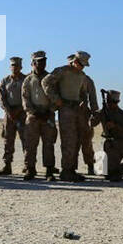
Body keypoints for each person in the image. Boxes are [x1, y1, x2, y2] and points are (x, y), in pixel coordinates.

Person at [44, 50, 95, 182]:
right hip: (65, 109)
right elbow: (45, 83)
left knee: (76, 140)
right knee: (68, 140)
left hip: (76, 109)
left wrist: (84, 102)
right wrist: (56, 100)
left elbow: (83, 92)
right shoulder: (62, 71)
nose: (82, 67)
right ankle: (66, 171)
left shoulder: (82, 75)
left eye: (84, 65)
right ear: (75, 61)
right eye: (81, 64)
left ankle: (71, 169)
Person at [20, 51, 58, 181]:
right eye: (39, 61)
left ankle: (49, 170)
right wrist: (33, 112)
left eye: (44, 61)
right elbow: (25, 99)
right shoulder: (28, 80)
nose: (42, 64)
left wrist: (50, 111)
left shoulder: (51, 78)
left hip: (48, 115)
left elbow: (57, 97)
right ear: (33, 63)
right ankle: (30, 169)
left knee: (48, 143)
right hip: (33, 116)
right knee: (30, 144)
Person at [95, 90, 123, 181]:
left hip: (122, 144)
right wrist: (97, 114)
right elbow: (92, 123)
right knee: (103, 172)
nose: (111, 104)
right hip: (108, 144)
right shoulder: (103, 112)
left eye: (113, 102)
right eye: (109, 102)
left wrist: (116, 126)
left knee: (111, 174)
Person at [0, 57, 26, 176]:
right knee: (8, 140)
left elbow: (28, 95)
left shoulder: (26, 80)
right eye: (13, 66)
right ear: (10, 67)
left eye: (17, 66)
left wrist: (20, 109)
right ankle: (7, 165)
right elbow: (1, 97)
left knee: (26, 140)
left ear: (21, 67)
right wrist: (9, 111)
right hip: (9, 115)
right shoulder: (5, 81)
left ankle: (28, 164)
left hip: (23, 114)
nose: (15, 68)